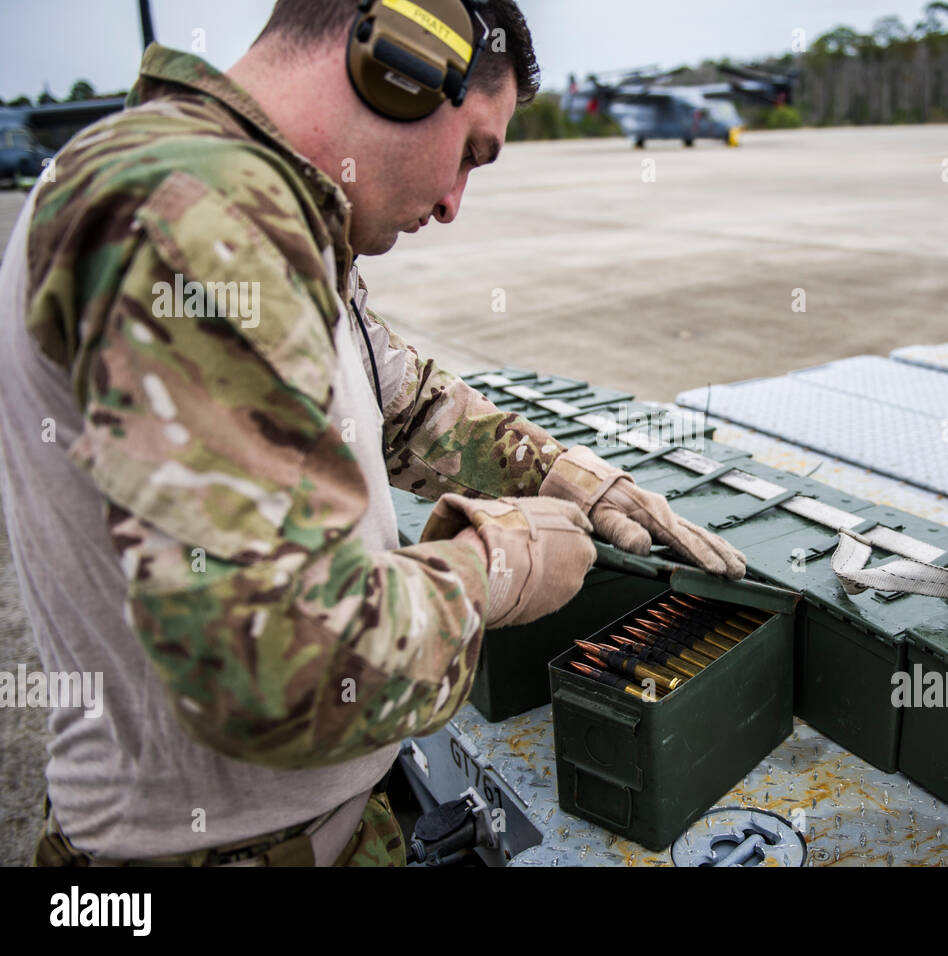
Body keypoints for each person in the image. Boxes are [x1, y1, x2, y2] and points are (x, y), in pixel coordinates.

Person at [0, 0, 744, 867]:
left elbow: (402, 399)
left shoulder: (266, 210)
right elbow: (276, 664)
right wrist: (497, 566)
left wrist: (563, 475)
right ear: (399, 62)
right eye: (470, 152)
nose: (455, 202)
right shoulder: (192, 213)